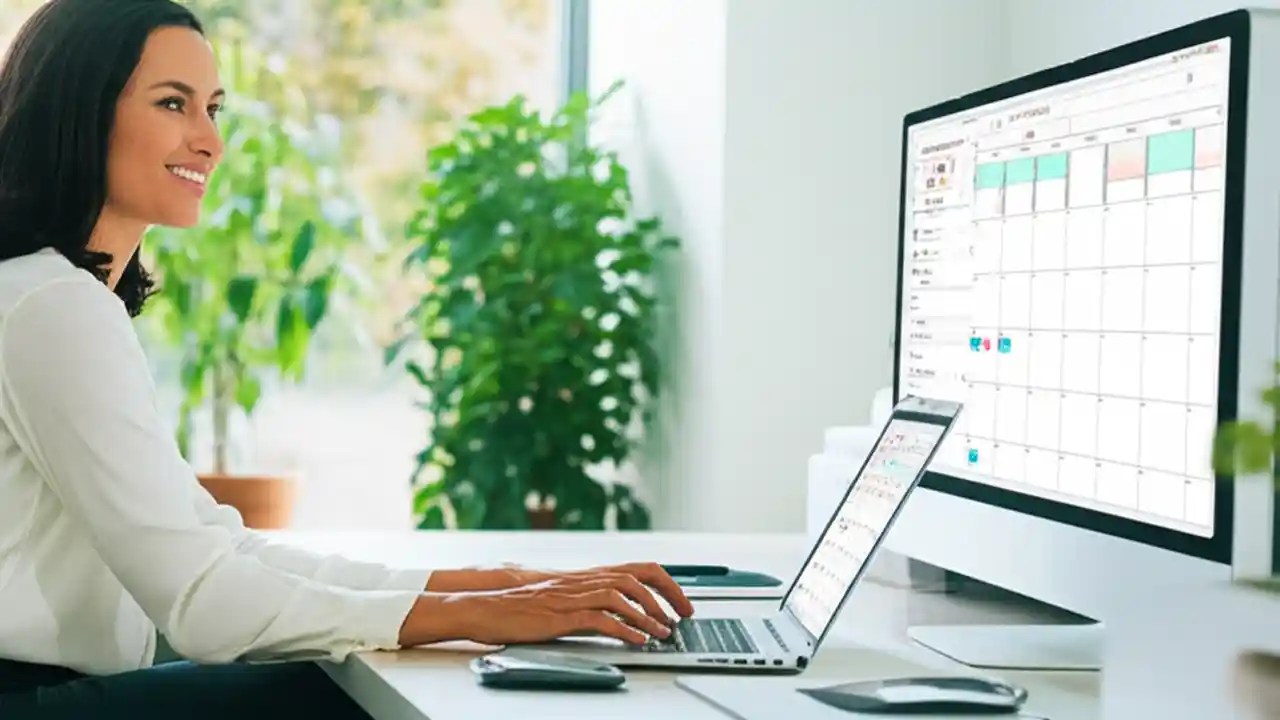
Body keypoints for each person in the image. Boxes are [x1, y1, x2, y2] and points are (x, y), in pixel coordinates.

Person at [0, 1, 693, 717]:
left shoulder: (52, 296)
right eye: (174, 104)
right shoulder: (52, 305)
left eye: (214, 108)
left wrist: (472, 586)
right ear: (77, 113)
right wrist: (479, 615)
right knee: (351, 694)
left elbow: (217, 545)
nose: (209, 140)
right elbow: (201, 598)